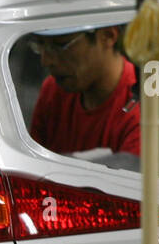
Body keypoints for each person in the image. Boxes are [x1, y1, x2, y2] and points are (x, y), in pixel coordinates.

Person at [27, 25, 140, 166]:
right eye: (40, 45)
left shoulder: (141, 110)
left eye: (61, 45)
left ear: (108, 36)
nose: (46, 61)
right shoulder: (53, 91)